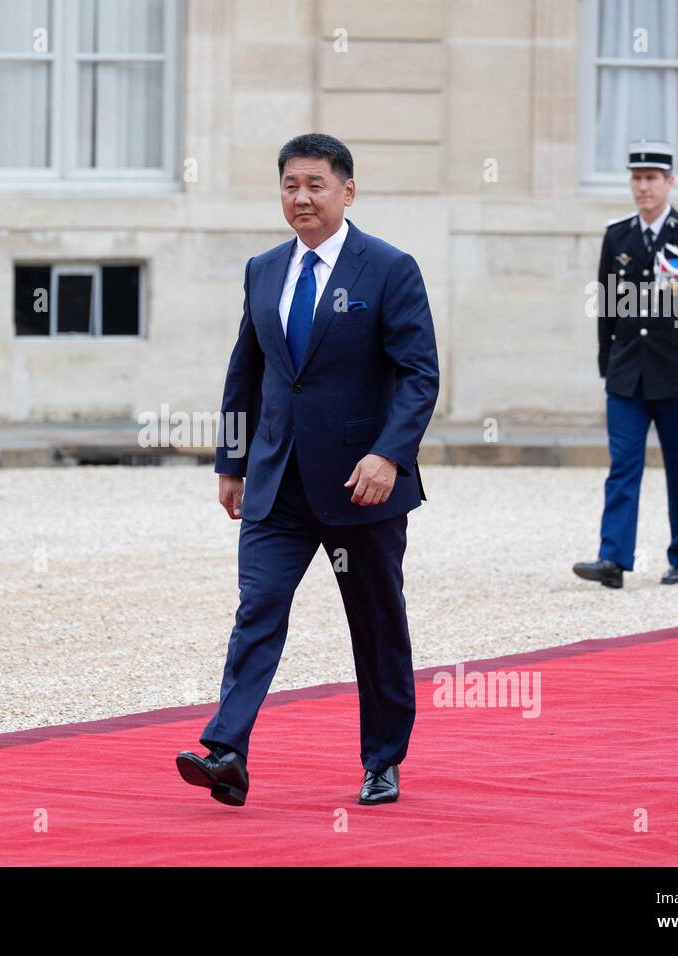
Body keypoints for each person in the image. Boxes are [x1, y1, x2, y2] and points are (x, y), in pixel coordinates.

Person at [175, 133, 439, 807]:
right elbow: (248, 369)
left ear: (347, 191)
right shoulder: (264, 269)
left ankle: (384, 759)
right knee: (257, 609)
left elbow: (419, 376)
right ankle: (227, 751)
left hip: (362, 485)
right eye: (291, 184)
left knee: (376, 624)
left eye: (316, 184)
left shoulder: (389, 269)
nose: (302, 197)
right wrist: (231, 460)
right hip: (277, 482)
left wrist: (388, 454)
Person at [573, 140, 678, 589]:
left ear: (669, 182)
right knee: (623, 466)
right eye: (637, 179)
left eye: (652, 179)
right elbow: (607, 306)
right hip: (627, 376)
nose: (643, 187)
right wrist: (607, 364)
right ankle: (613, 559)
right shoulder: (618, 235)